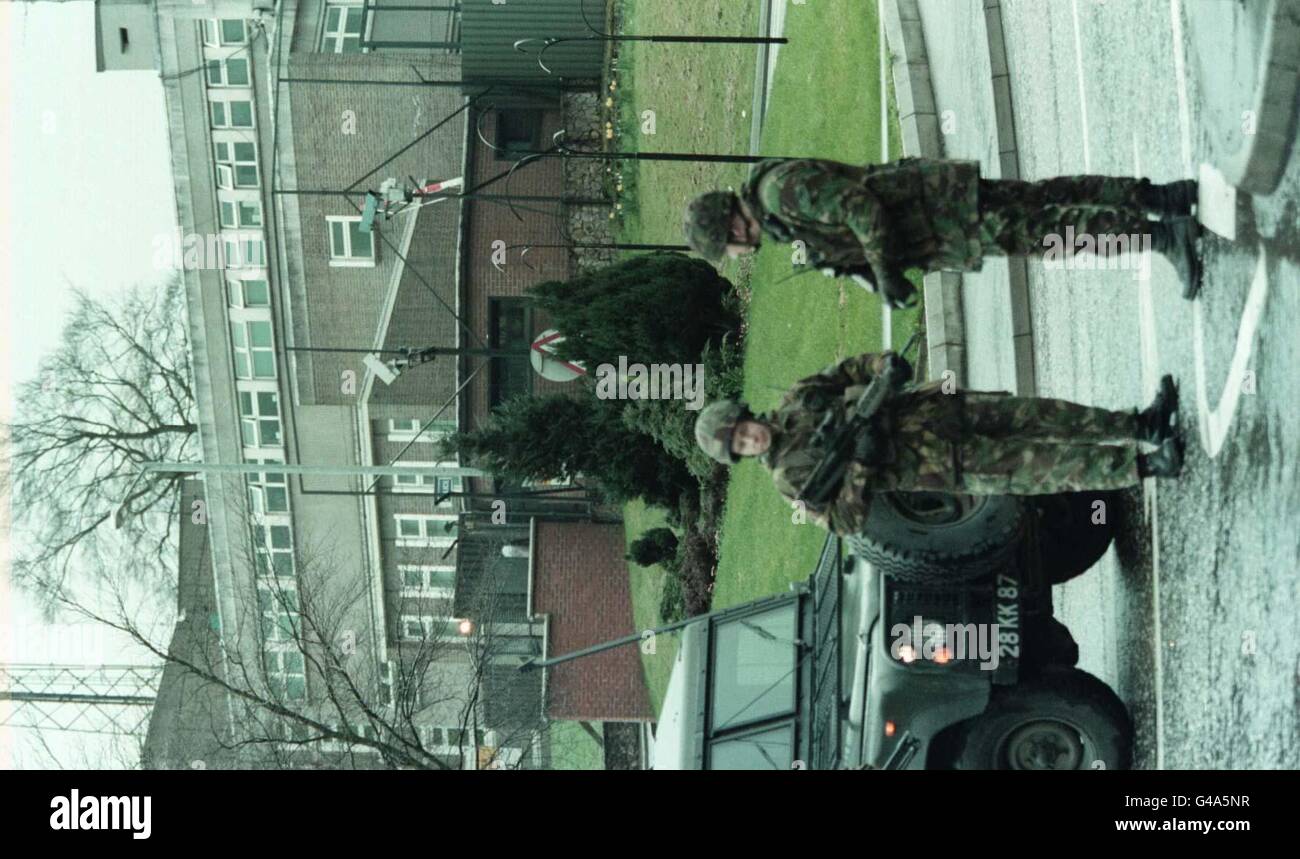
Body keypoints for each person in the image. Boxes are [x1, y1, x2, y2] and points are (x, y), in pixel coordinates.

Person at [693, 350, 1184, 537]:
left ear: (745, 417)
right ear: (742, 455)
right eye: (741, 445)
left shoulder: (797, 399)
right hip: (938, 461)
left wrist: (883, 367)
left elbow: (842, 371)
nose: (751, 439)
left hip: (938, 409)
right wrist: (861, 464)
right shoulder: (790, 477)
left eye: (743, 430)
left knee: (1044, 413)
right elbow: (844, 522)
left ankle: (1141, 424)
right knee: (1046, 465)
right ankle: (1144, 467)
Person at [683, 157, 1204, 303]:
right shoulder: (775, 210)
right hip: (938, 201)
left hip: (941, 214)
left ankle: (1163, 235)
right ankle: (1161, 197)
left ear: (730, 223)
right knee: (1046, 197)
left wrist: (886, 273)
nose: (735, 253)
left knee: (1050, 231)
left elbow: (862, 210)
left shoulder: (779, 194)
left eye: (726, 246)